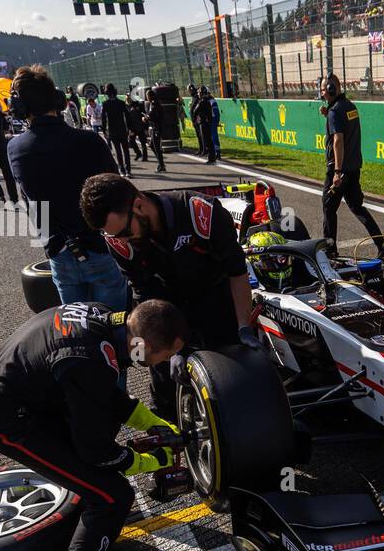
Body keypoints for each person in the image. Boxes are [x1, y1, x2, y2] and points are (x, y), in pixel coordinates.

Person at [0, 299, 188, 551]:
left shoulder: (107, 319)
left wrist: (154, 423)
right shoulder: (88, 361)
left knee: (94, 476)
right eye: (164, 356)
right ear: (143, 347)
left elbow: (105, 396)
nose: (164, 363)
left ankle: (86, 537)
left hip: (31, 394)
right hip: (7, 421)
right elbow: (96, 452)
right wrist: (151, 461)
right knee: (112, 496)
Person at [79, 172, 258, 420]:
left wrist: (243, 326)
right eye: (113, 235)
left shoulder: (200, 213)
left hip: (216, 300)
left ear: (139, 204)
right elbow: (143, 294)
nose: (121, 240)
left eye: (123, 232)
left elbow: (237, 272)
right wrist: (171, 351)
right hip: (162, 308)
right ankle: (169, 441)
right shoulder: (118, 240)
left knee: (231, 380)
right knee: (163, 375)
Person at [6, 65, 128, 310]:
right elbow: (117, 190)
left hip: (58, 249)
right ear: (58, 100)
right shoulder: (90, 141)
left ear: (20, 107)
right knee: (115, 325)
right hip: (99, 246)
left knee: (77, 330)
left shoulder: (16, 148)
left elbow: (31, 199)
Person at [320, 74, 384, 259]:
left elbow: (338, 140)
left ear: (330, 90)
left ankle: (330, 250)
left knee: (328, 208)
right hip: (353, 169)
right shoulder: (350, 107)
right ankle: (381, 242)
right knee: (357, 207)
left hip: (339, 171)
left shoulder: (335, 111)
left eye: (322, 89)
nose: (321, 92)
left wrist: (337, 171)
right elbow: (346, 126)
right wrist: (329, 115)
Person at [101, 83, 131, 177]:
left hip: (112, 130)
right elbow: (127, 116)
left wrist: (104, 131)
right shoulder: (121, 103)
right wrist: (130, 128)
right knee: (126, 151)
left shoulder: (105, 104)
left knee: (118, 152)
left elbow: (103, 118)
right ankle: (128, 171)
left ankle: (121, 170)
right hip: (122, 129)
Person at [145, 87, 167, 173]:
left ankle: (161, 165)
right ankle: (161, 163)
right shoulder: (153, 104)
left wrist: (147, 118)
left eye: (147, 96)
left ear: (150, 96)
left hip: (157, 128)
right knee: (152, 145)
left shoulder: (155, 104)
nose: (147, 98)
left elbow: (154, 116)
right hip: (156, 127)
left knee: (156, 147)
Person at [126, 95, 148, 163]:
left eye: (129, 99)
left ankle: (145, 157)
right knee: (131, 141)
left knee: (143, 142)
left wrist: (146, 128)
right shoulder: (127, 107)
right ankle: (138, 153)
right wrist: (129, 129)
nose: (128, 100)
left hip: (141, 127)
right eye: (127, 99)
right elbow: (127, 119)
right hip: (133, 128)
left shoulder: (139, 106)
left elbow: (145, 116)